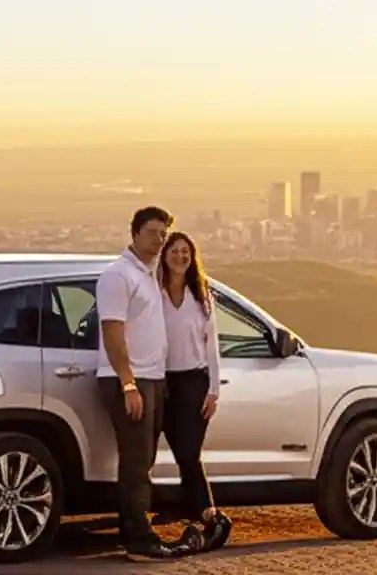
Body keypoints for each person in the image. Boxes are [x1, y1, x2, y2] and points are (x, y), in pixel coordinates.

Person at [95, 205, 201, 559]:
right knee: (136, 462)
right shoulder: (118, 276)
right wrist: (128, 384)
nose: (159, 241)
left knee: (145, 460)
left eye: (163, 234)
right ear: (135, 233)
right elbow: (112, 331)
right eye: (153, 233)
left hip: (153, 380)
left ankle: (135, 530)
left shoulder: (148, 275)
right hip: (131, 380)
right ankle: (138, 540)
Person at [157, 231, 233, 551]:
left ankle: (211, 515)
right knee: (177, 451)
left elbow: (211, 347)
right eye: (174, 251)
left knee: (189, 452)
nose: (180, 256)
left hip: (193, 382)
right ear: (165, 256)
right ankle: (191, 508)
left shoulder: (201, 296)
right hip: (161, 382)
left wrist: (213, 390)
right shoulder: (153, 293)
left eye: (186, 252)